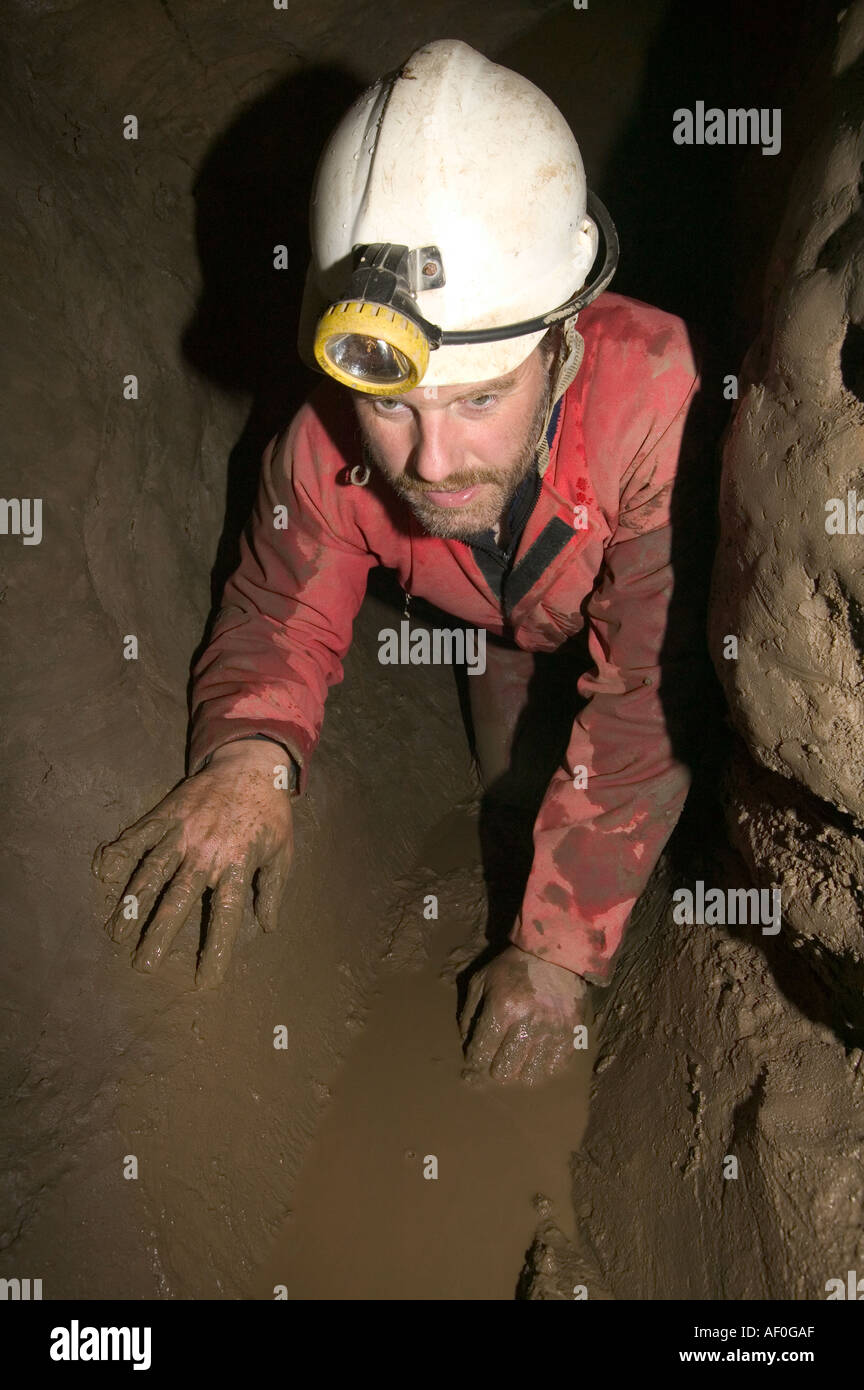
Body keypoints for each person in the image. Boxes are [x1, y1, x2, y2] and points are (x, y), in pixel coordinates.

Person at [93, 39, 702, 1087]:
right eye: (393, 405)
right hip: (489, 623)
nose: (430, 461)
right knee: (506, 789)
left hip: (589, 593)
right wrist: (252, 755)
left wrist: (558, 954)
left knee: (584, 813)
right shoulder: (324, 444)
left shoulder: (656, 406)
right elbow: (283, 608)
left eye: (477, 399)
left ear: (558, 342)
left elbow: (644, 692)